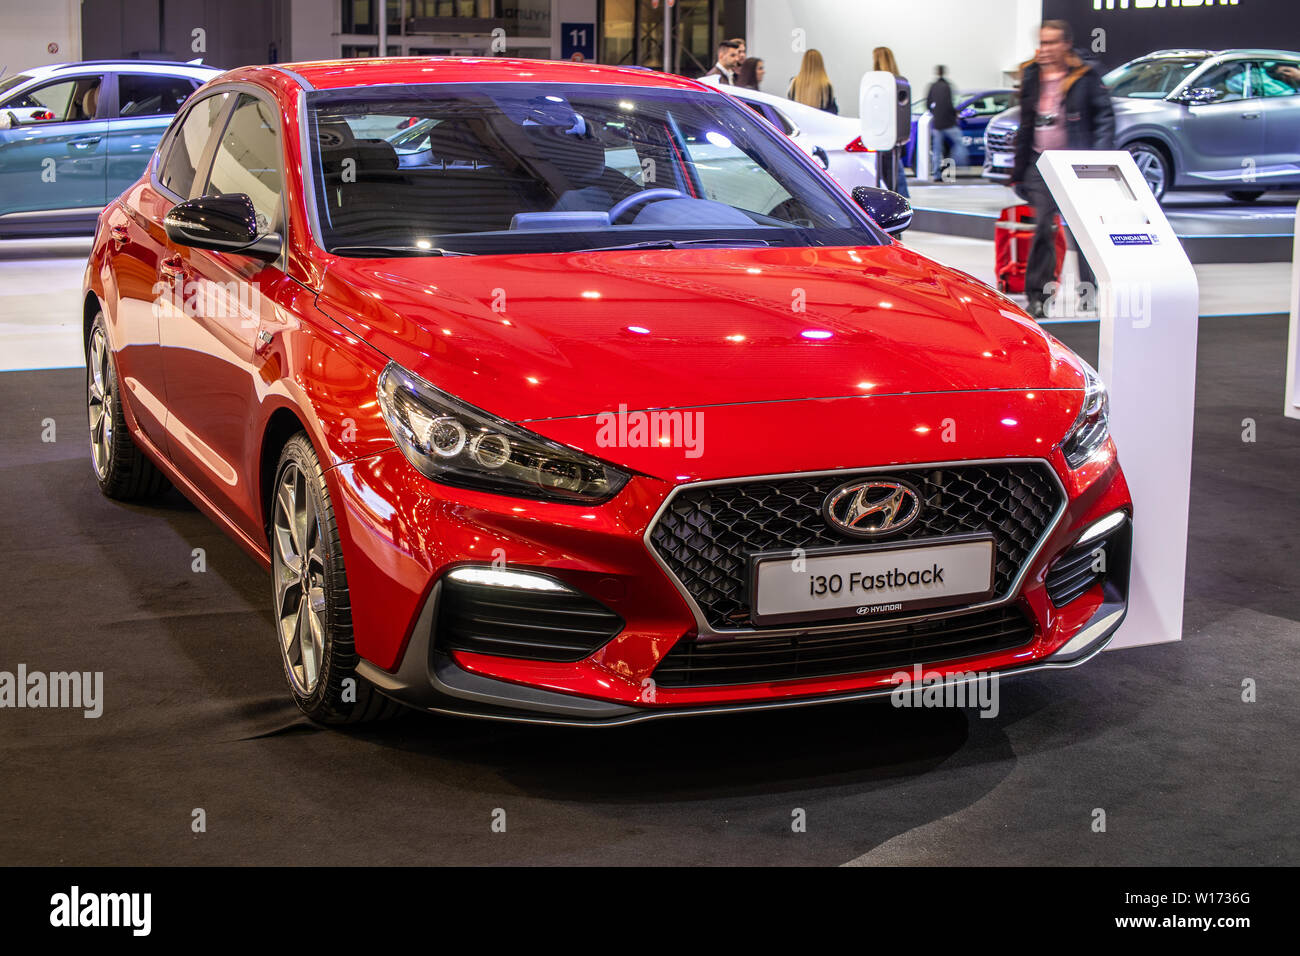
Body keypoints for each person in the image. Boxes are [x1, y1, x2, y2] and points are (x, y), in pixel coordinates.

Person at [1010, 19, 1115, 319]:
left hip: (1075, 165)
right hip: (1040, 164)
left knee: (1082, 232)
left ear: (1066, 44)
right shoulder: (1031, 75)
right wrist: (1018, 171)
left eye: (1053, 42)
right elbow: (1026, 125)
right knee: (1044, 227)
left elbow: (1105, 119)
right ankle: (1039, 298)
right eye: (1043, 42)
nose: (1047, 48)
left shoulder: (1086, 75)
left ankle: (1088, 292)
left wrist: (1098, 162)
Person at [873, 46, 909, 198]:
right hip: (896, 134)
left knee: (880, 172)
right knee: (896, 171)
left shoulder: (875, 84)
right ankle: (902, 199)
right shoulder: (901, 82)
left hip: (880, 133)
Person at [926, 65, 966, 178]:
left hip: (937, 123)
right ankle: (961, 165)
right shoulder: (948, 86)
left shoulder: (933, 86)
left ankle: (937, 175)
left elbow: (928, 103)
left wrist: (934, 113)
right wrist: (954, 114)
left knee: (937, 150)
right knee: (959, 144)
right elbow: (950, 104)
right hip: (949, 123)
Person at [787, 49, 838, 113]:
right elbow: (832, 112)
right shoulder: (827, 86)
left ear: (803, 63)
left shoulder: (794, 83)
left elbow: (789, 108)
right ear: (820, 63)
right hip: (819, 122)